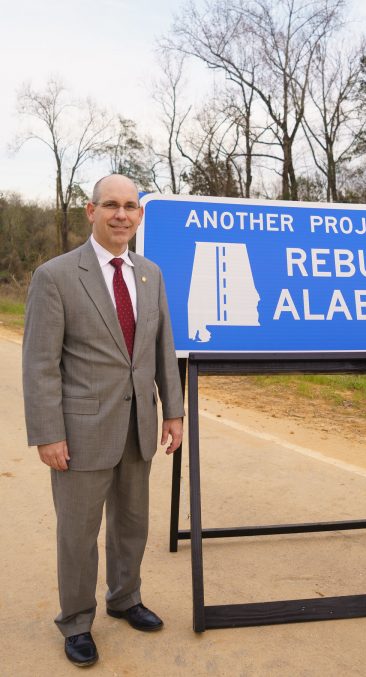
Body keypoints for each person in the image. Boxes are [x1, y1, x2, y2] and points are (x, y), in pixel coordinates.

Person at [22, 174, 185, 667]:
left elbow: (162, 349)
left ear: (139, 215)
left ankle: (125, 598)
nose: (121, 214)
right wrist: (48, 433)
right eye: (110, 205)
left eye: (130, 206)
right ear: (90, 212)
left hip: (138, 425)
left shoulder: (150, 274)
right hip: (80, 431)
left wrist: (173, 412)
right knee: (78, 532)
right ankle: (75, 622)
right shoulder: (56, 276)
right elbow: (40, 364)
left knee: (132, 524)